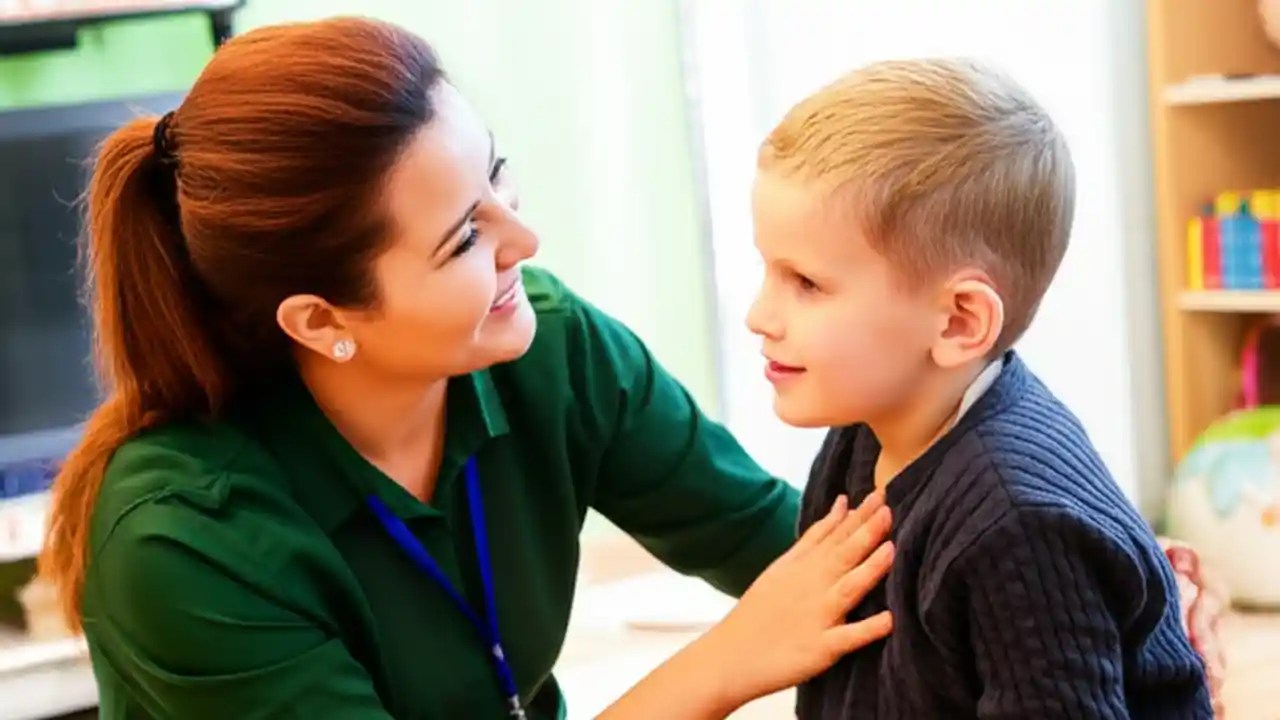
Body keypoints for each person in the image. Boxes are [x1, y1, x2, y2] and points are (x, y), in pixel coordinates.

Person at [36, 17, 895, 720]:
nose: (523, 240)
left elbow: (800, 555)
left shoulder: (551, 349)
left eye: (494, 173)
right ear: (321, 320)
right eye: (463, 238)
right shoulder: (184, 541)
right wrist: (726, 665)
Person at [746, 58, 1214, 719]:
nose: (759, 315)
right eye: (768, 270)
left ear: (961, 321)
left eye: (807, 284)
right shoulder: (868, 428)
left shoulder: (1018, 528)